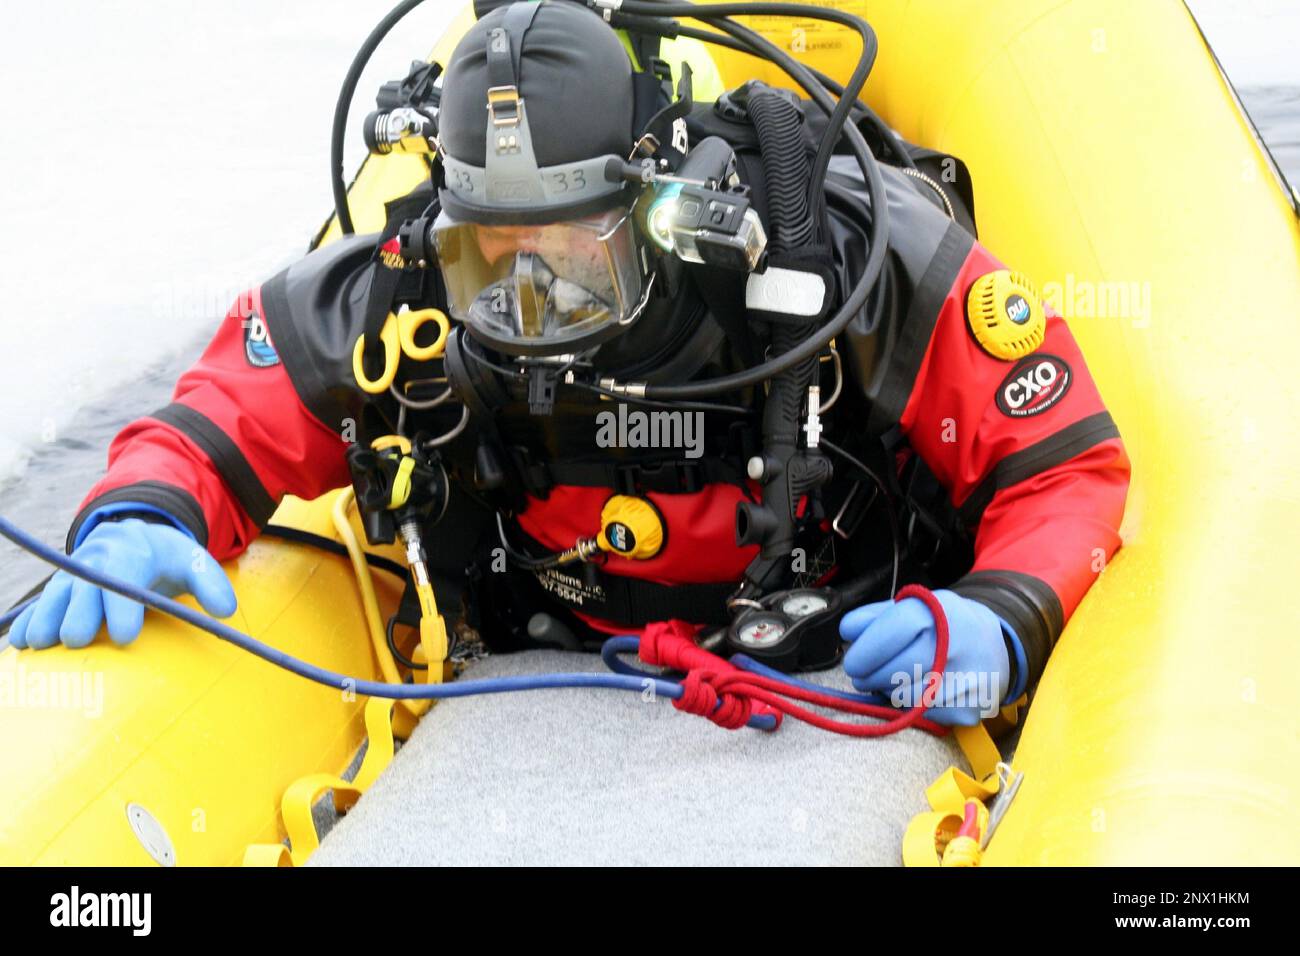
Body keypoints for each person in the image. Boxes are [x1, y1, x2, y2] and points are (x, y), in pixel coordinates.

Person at [8, 0, 1128, 728]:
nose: (525, 304)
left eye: (569, 259)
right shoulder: (406, 288)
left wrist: (999, 611)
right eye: (485, 259)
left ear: (657, 208)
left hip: (847, 634)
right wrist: (145, 511)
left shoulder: (839, 262)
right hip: (555, 641)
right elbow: (226, 408)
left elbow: (1062, 463)